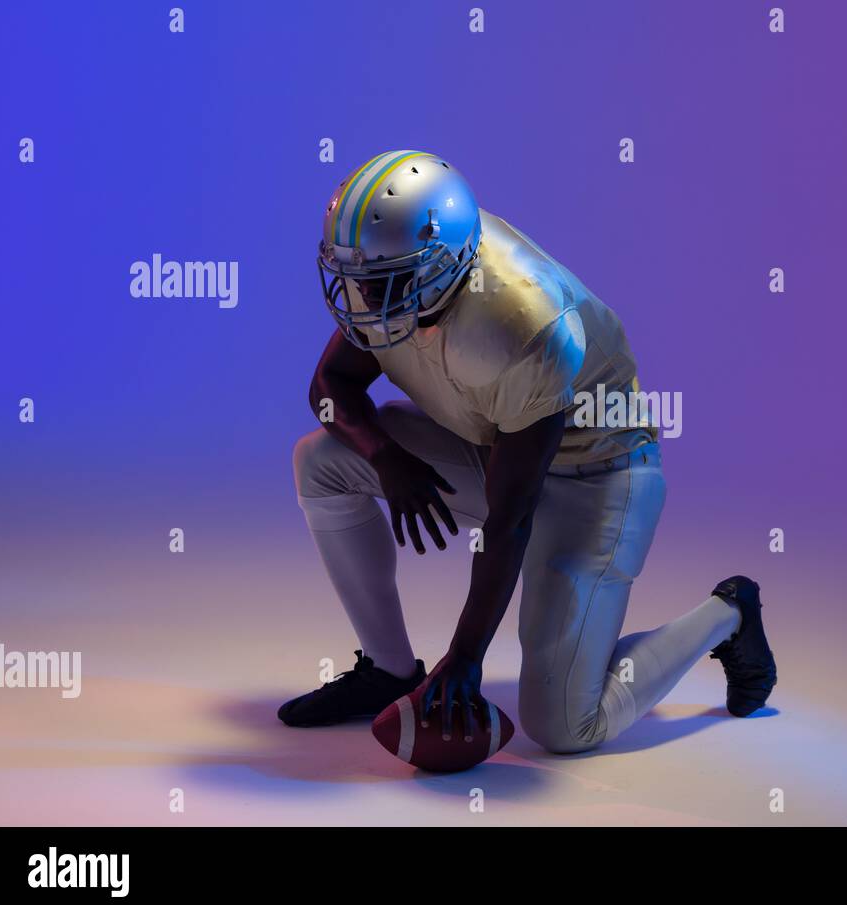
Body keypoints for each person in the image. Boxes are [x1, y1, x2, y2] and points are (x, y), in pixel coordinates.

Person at [278, 150, 776, 753]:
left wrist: (465, 656)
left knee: (566, 726)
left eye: (382, 281)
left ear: (442, 267)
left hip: (597, 474)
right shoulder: (402, 265)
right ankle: (388, 669)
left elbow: (509, 520)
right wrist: (386, 458)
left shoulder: (523, 323)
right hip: (496, 444)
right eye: (355, 276)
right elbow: (330, 388)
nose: (362, 296)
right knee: (321, 462)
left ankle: (728, 614)